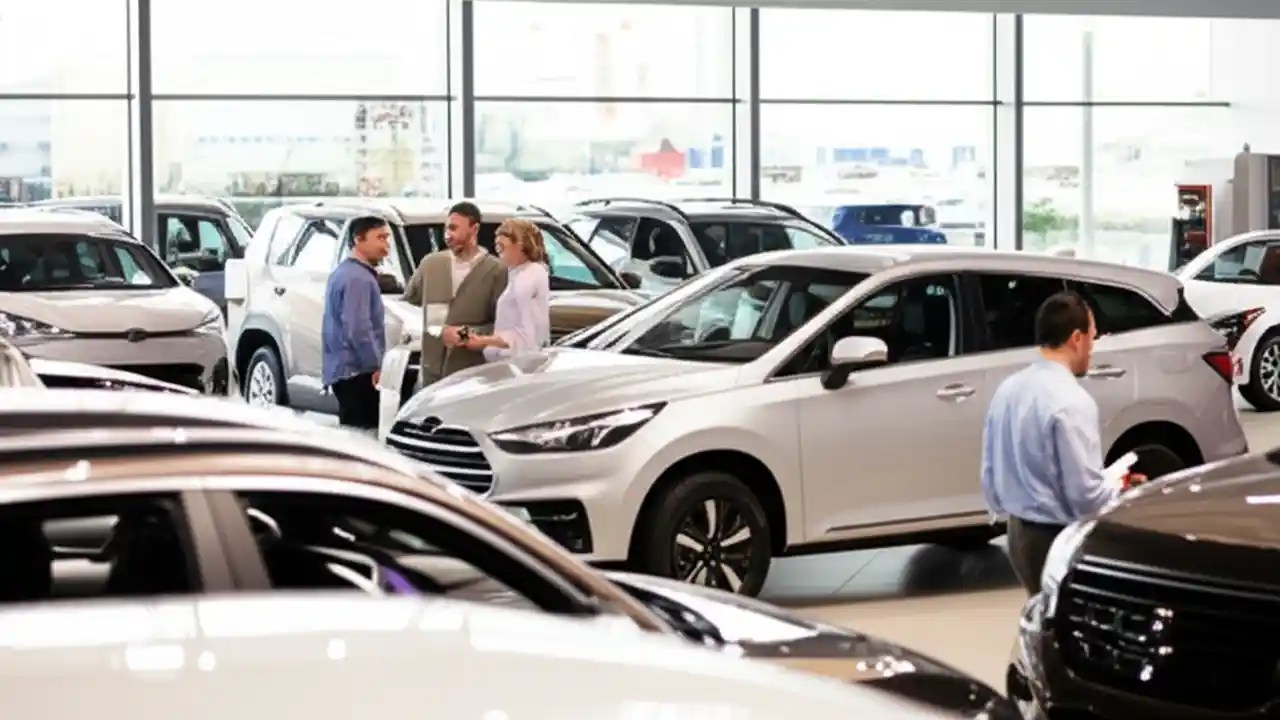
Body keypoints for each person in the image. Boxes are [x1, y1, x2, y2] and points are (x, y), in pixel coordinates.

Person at [980, 290, 1143, 594]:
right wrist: (1120, 487)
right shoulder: (1072, 402)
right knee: (1062, 628)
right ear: (1076, 338)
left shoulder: (1009, 389)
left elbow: (989, 469)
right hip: (1053, 538)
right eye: (1092, 337)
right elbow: (1086, 497)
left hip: (1016, 533)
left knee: (1038, 615)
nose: (1092, 349)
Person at [402, 201, 506, 387]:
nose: (447, 235)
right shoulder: (430, 264)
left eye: (454, 228)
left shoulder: (496, 271)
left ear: (474, 229)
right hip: (431, 375)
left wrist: (464, 335)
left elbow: (502, 325)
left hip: (470, 377)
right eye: (446, 229)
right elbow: (412, 297)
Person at [321, 216, 391, 430]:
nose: (385, 245)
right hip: (357, 372)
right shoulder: (357, 278)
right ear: (358, 239)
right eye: (379, 237)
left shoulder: (345, 273)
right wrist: (375, 365)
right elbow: (358, 329)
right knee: (362, 438)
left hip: (345, 371)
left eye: (387, 238)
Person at [459, 219, 551, 361]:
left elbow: (525, 335)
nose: (498, 253)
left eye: (501, 247)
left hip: (519, 364)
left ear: (520, 246)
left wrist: (484, 341)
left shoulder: (527, 278)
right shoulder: (521, 273)